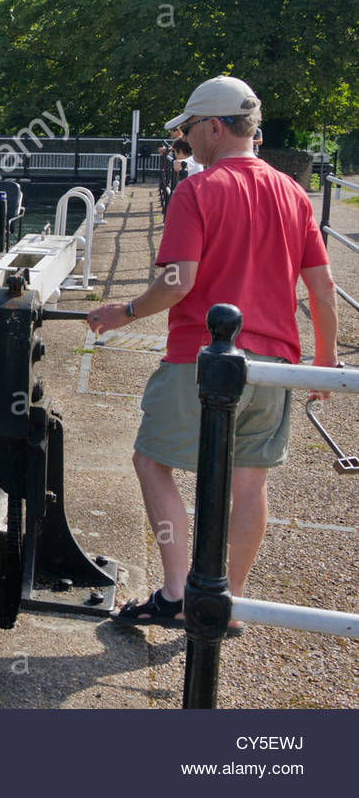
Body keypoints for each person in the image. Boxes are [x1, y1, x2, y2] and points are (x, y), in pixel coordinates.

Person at [86, 76, 338, 632]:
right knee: (250, 483)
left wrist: (121, 312)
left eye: (191, 129)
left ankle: (178, 593)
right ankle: (231, 603)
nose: (187, 141)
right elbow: (321, 289)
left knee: (152, 462)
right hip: (273, 366)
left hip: (203, 358)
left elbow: (178, 282)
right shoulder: (294, 194)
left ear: (215, 127)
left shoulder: (198, 191)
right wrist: (324, 363)